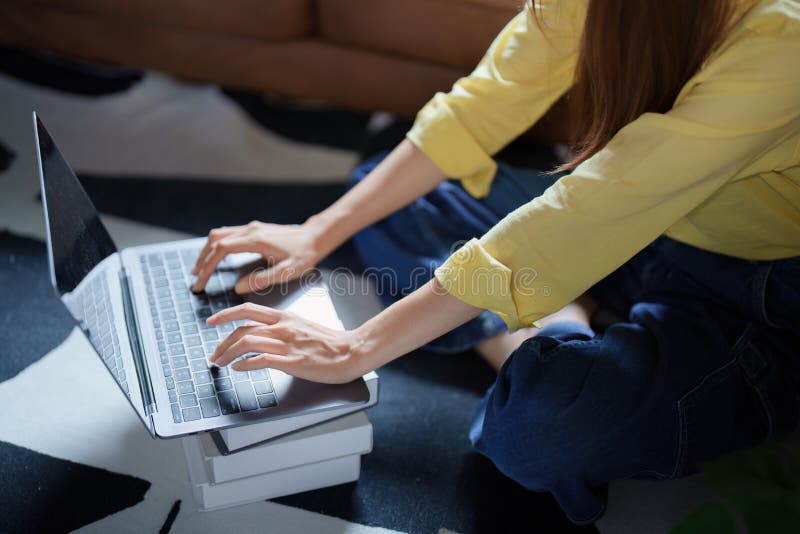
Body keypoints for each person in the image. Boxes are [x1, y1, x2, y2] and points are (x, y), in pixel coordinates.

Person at [190, 0, 800, 524]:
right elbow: (482, 104)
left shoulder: (783, 37)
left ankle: (551, 329)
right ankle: (552, 324)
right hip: (636, 225)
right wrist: (317, 232)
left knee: (539, 437)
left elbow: (590, 209)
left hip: (747, 293)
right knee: (388, 194)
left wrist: (355, 349)